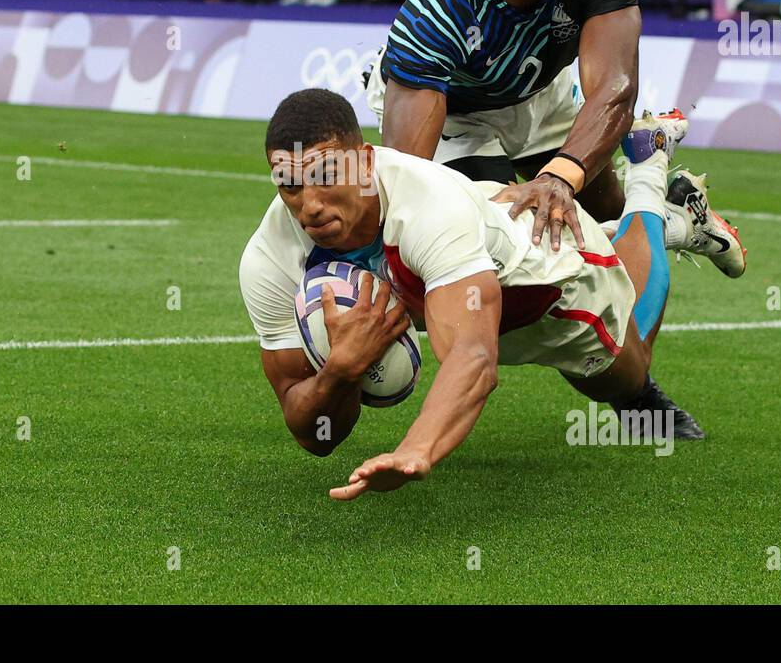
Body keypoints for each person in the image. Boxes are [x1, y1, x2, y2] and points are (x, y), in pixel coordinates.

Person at [239, 90, 733, 499]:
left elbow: (474, 357)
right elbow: (312, 432)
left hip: (548, 283)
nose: (309, 204)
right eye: (290, 184)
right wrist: (340, 371)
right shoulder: (269, 257)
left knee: (627, 374)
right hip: (462, 282)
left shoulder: (425, 206)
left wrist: (418, 448)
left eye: (327, 176)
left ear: (365, 164)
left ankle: (648, 174)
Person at [365, 0, 745, 284]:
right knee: (498, 243)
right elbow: (407, 177)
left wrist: (559, 178)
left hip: (544, 93)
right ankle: (676, 221)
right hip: (459, 116)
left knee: (606, 214)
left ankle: (675, 215)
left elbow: (614, 89)